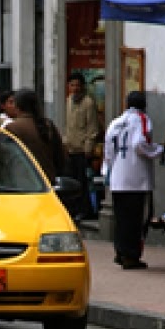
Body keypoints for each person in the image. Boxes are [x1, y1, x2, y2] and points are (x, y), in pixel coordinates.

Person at [101, 91, 164, 270]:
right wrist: (158, 150)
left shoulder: (115, 122)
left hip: (118, 178)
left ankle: (121, 252)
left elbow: (108, 150)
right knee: (138, 218)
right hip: (136, 178)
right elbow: (139, 144)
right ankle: (131, 255)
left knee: (122, 218)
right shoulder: (142, 119)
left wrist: (108, 172)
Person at [4, 88, 67, 183]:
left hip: (21, 183)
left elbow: (5, 160)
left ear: (17, 106)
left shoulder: (12, 128)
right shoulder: (48, 124)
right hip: (47, 182)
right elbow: (61, 159)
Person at [64, 72, 103, 219]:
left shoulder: (88, 103)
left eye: (78, 85)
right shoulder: (68, 101)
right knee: (72, 181)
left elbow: (92, 128)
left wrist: (88, 147)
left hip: (82, 149)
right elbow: (68, 125)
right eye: (72, 85)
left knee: (83, 182)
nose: (75, 88)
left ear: (82, 86)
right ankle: (74, 209)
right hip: (71, 148)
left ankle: (85, 210)